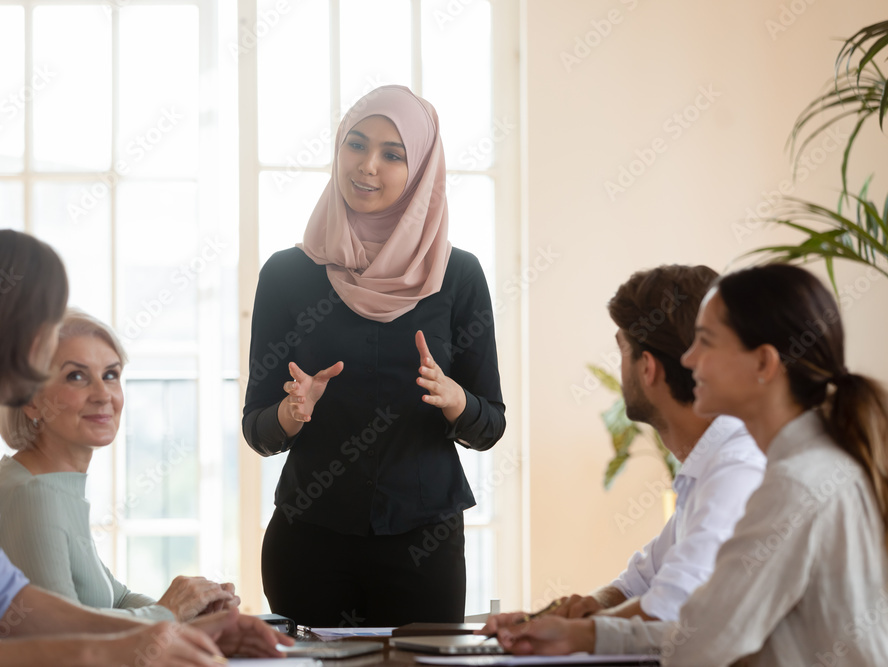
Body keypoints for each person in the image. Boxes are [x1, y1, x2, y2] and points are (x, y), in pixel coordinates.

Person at [0, 228, 290, 666]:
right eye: (48, 321)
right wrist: (111, 650)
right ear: (15, 331)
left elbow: (8, 601)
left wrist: (175, 632)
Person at [481, 264, 888, 665]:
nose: (689, 359)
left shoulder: (793, 483)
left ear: (763, 364)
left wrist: (582, 635)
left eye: (706, 342)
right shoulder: (805, 465)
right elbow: (698, 627)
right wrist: (578, 631)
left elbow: (701, 643)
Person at [243, 85, 506, 627]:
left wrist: (457, 401)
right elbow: (257, 430)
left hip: (423, 547)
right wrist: (290, 414)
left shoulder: (457, 276)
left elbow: (490, 426)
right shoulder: (287, 276)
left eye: (393, 153)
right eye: (355, 145)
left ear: (422, 167)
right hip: (310, 541)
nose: (367, 166)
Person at [0, 309, 237, 622]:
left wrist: (195, 614)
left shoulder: (51, 483)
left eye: (110, 375)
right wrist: (169, 614)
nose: (103, 394)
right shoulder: (31, 494)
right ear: (30, 400)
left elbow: (113, 597)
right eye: (76, 376)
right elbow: (68, 637)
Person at [550, 265, 765, 622]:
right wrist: (595, 605)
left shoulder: (737, 467)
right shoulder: (708, 463)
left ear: (647, 367)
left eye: (622, 352)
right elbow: (641, 581)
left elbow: (672, 607)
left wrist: (565, 635)